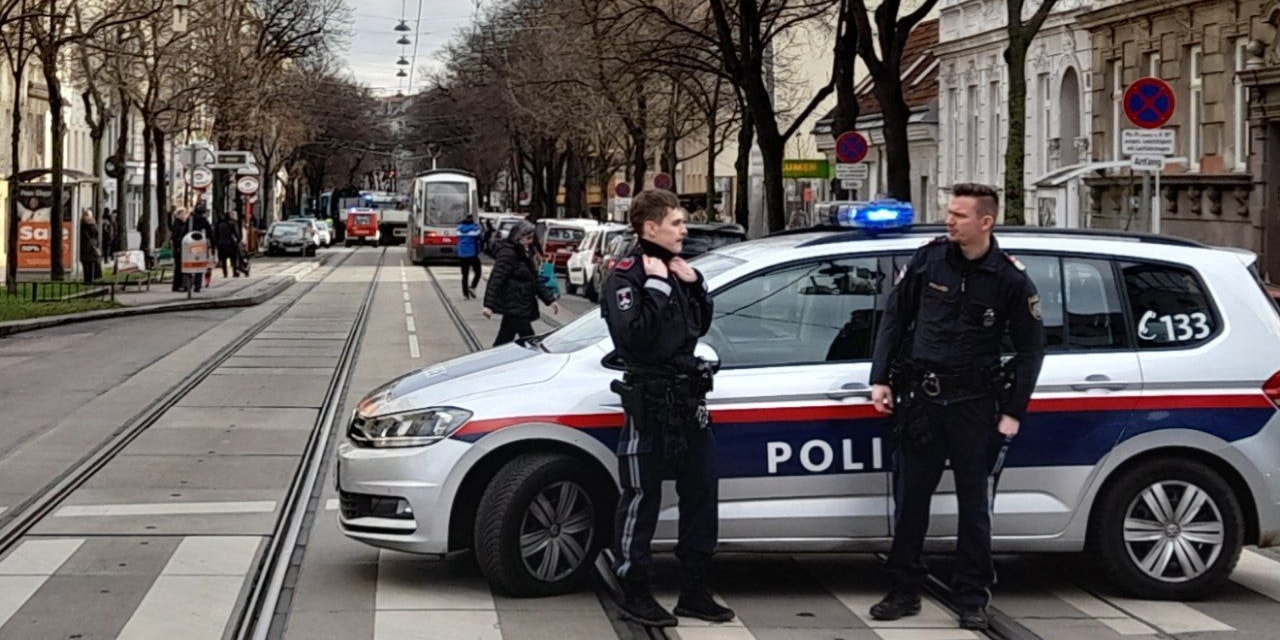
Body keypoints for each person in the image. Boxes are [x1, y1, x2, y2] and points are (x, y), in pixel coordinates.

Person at [867, 183, 1045, 631]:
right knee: (911, 502)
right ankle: (904, 589)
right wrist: (880, 377)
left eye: (959, 215)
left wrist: (1013, 411)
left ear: (985, 222)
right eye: (949, 213)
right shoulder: (929, 260)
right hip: (924, 401)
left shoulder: (1009, 278)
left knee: (973, 506)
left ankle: (971, 596)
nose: (949, 221)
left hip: (974, 404)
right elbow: (896, 316)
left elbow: (1031, 350)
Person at [600, 189, 733, 628]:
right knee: (642, 496)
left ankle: (695, 589)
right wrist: (656, 287)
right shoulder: (628, 277)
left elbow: (696, 327)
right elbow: (635, 337)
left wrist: (695, 286)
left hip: (687, 400)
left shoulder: (677, 270)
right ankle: (634, 588)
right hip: (650, 401)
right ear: (650, 226)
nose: (684, 230)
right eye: (676, 223)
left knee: (702, 491)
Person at [482, 220, 559, 345]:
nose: (530, 241)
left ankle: (493, 362)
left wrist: (549, 300)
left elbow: (533, 280)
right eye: (527, 238)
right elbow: (496, 278)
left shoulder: (524, 254)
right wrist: (488, 305)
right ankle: (535, 362)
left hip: (519, 304)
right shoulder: (508, 254)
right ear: (518, 237)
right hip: (514, 304)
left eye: (531, 238)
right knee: (530, 340)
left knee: (504, 340)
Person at [457, 215, 483, 298]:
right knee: (478, 272)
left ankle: (465, 294)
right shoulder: (475, 228)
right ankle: (473, 287)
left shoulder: (459, 228)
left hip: (462, 254)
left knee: (465, 275)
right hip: (472, 254)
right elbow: (481, 237)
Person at [214, 212, 245, 278]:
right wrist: (239, 240)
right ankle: (235, 272)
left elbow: (216, 235)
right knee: (234, 259)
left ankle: (225, 273)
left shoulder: (220, 225)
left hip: (221, 244)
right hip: (231, 244)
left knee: (223, 260)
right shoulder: (233, 224)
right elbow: (237, 234)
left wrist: (217, 243)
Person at [190, 206, 213, 287]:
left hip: (191, 244)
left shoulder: (190, 220)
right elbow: (210, 233)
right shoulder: (204, 221)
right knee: (200, 263)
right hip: (202, 244)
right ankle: (197, 284)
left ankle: (189, 282)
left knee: (191, 262)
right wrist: (213, 245)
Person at [169, 208, 191, 292]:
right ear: (179, 215)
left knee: (180, 268)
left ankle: (179, 285)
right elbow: (176, 237)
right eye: (183, 214)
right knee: (179, 268)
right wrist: (178, 245)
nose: (185, 216)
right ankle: (178, 285)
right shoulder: (178, 224)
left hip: (180, 249)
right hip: (179, 249)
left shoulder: (180, 223)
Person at [78, 209, 102, 284]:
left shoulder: (82, 224)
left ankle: (87, 279)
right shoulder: (93, 224)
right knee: (91, 263)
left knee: (85, 264)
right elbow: (97, 234)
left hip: (85, 246)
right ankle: (92, 279)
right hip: (92, 246)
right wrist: (96, 243)